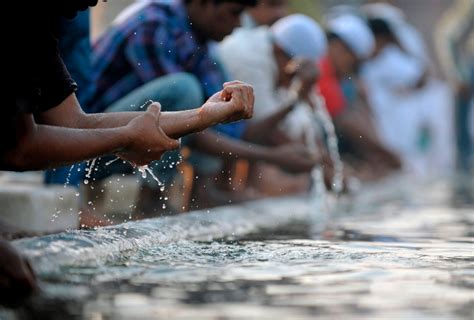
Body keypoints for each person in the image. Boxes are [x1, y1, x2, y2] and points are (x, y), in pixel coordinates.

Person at [1, 0, 255, 306]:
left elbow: (73, 123)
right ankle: (139, 203)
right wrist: (125, 137)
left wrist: (204, 116)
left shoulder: (40, 30)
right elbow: (20, 148)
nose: (99, 2)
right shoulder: (21, 22)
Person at [82, 0, 319, 212]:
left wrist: (296, 100)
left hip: (119, 146)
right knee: (184, 90)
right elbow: (183, 125)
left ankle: (200, 193)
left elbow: (232, 130)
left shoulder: (200, 41)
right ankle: (152, 199)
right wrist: (274, 157)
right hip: (88, 150)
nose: (238, 24)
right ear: (203, 3)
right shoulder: (153, 25)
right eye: (234, 12)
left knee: (219, 104)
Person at [218, 14, 331, 194]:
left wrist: (324, 161)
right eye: (294, 75)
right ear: (280, 51)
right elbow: (257, 130)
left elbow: (298, 126)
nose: (294, 80)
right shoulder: (250, 60)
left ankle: (241, 188)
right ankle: (225, 188)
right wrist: (298, 97)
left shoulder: (274, 57)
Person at [316, 13, 401, 180]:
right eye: (354, 61)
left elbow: (360, 113)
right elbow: (346, 122)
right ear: (340, 47)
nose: (352, 67)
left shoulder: (340, 78)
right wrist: (387, 153)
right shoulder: (321, 69)